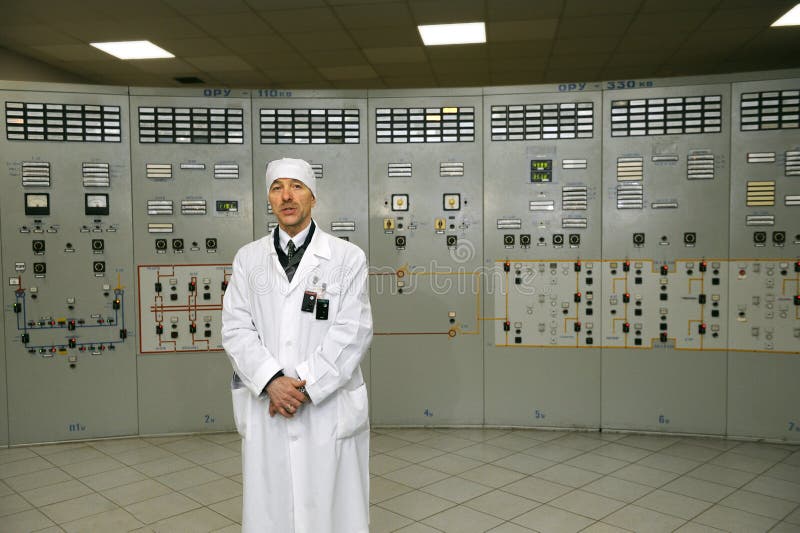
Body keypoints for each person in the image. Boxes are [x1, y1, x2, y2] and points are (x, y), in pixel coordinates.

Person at [221, 157, 373, 533]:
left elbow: (353, 331)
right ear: (269, 199)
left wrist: (301, 385)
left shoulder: (346, 258)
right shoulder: (248, 259)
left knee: (331, 511)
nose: (287, 196)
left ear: (313, 197)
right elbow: (236, 328)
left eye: (297, 186)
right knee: (270, 511)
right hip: (268, 403)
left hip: (325, 405)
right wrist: (272, 381)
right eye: (277, 187)